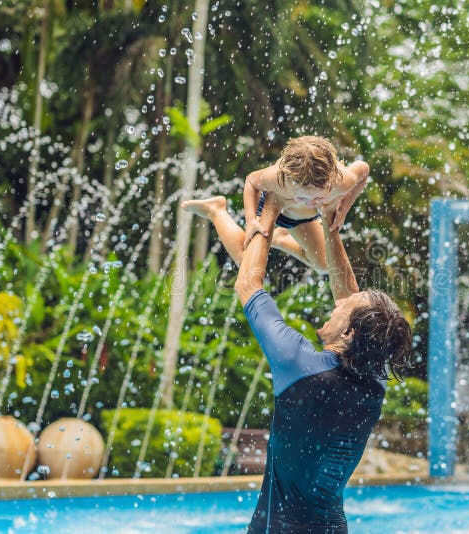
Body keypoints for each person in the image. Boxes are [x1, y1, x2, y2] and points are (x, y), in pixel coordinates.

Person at [231, 193, 413, 533]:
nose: (336, 303)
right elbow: (350, 299)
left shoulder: (298, 364)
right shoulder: (373, 384)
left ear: (349, 331)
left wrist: (267, 211)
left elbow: (248, 283)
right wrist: (330, 223)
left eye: (344, 307)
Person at [183, 136, 369, 273]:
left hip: (300, 220)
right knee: (247, 263)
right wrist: (251, 221)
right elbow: (251, 182)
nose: (312, 202)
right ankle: (217, 210)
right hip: (275, 207)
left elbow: (363, 169)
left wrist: (343, 208)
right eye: (302, 197)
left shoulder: (341, 180)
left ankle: (279, 238)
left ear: (329, 181)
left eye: (318, 197)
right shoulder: (277, 177)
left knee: (324, 266)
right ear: (289, 180)